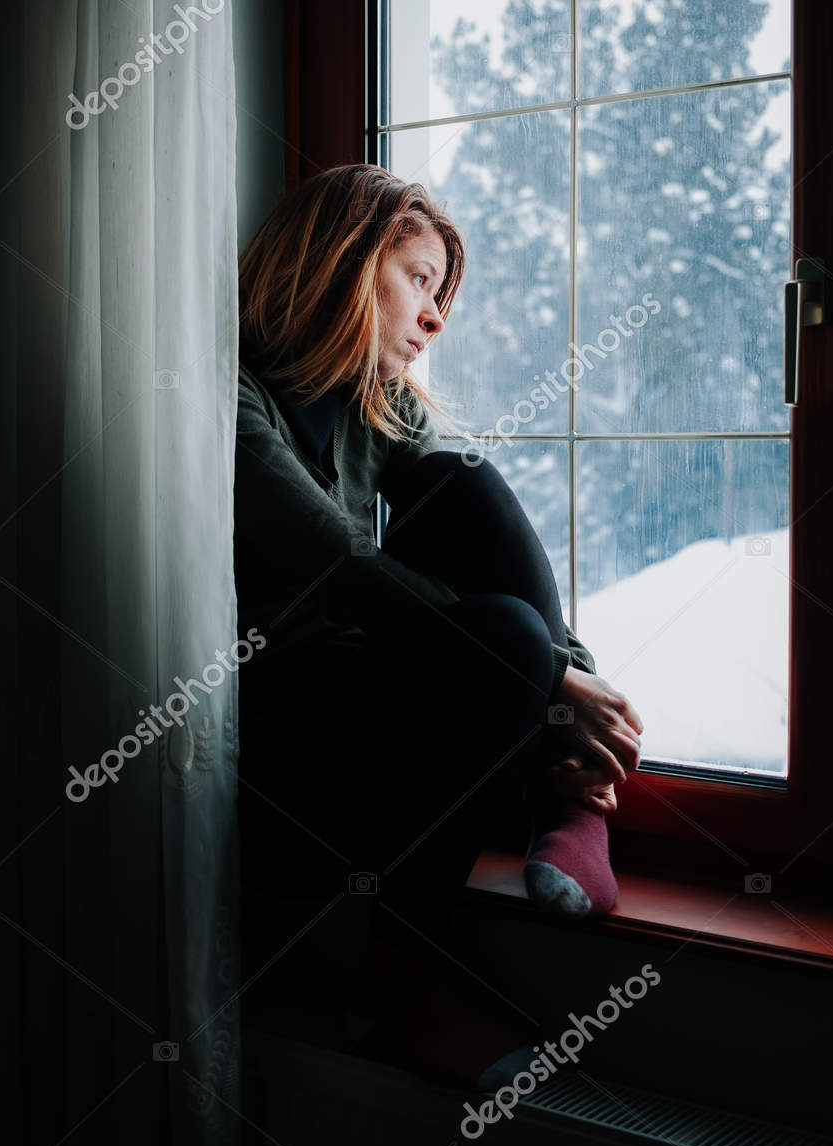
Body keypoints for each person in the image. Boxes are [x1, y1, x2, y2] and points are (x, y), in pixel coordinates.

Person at [233, 162, 644, 1087]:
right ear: (342, 263)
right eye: (420, 280)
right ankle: (395, 993)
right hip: (281, 774)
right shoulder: (229, 393)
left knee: (462, 485)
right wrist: (558, 682)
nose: (434, 316)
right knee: (506, 638)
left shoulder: (375, 402)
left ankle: (572, 796)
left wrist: (569, 680)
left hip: (363, 721)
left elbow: (480, 535)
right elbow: (337, 566)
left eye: (441, 294)